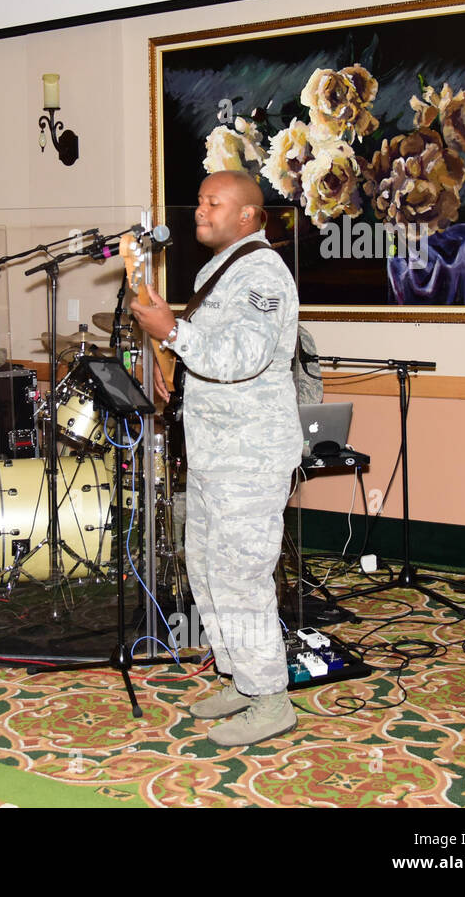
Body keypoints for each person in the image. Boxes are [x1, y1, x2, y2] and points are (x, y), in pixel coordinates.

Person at [130, 170, 302, 746]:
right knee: (206, 567)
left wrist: (173, 331)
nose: (199, 209)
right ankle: (241, 677)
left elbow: (242, 356)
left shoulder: (262, 273)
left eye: (213, 202)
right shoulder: (217, 269)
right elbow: (205, 354)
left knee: (240, 576)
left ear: (248, 215)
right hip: (212, 453)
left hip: (249, 457)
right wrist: (163, 346)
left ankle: (272, 699)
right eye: (199, 198)